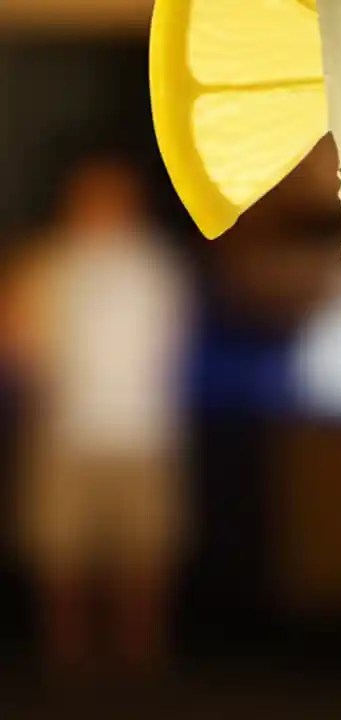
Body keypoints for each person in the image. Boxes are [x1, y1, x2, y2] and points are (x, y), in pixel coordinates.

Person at [8, 148, 190, 674]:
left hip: (144, 432)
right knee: (62, 558)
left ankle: (140, 668)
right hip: (66, 433)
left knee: (144, 557)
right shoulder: (50, 263)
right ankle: (69, 669)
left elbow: (168, 343)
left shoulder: (155, 264)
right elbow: (19, 340)